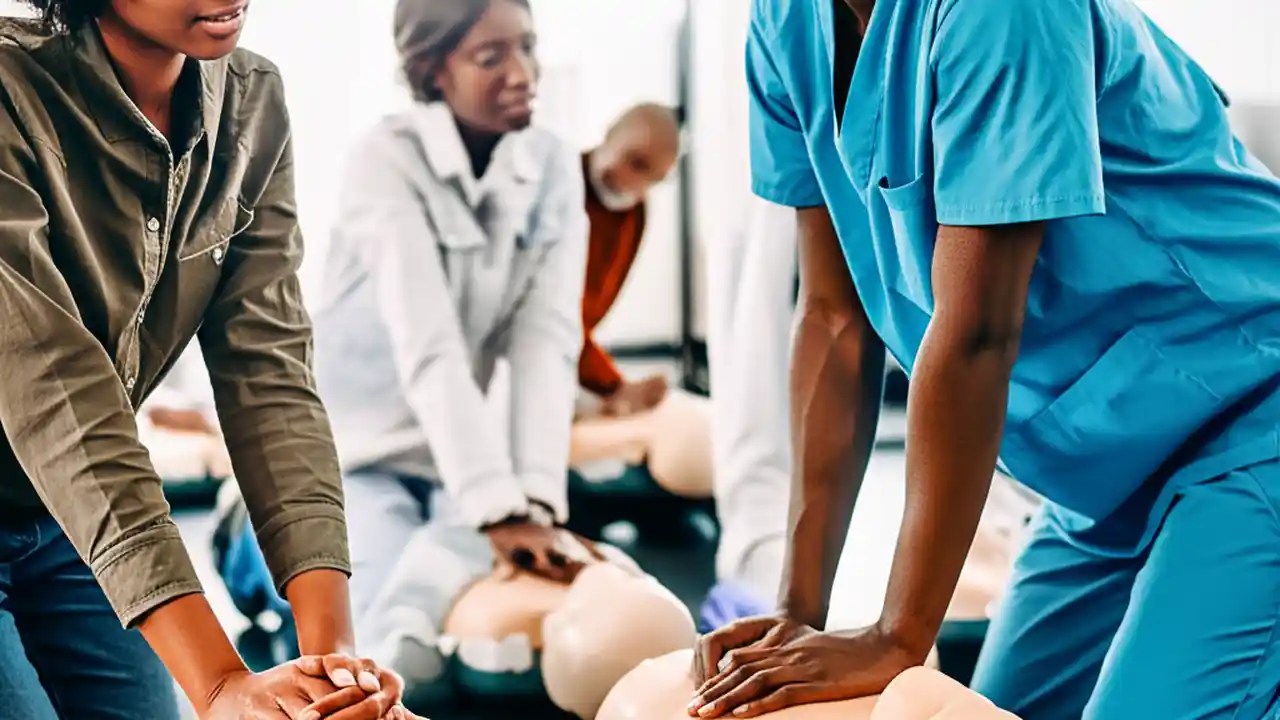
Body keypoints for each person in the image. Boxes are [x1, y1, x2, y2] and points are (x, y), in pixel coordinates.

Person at [690, 0, 1280, 719]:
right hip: (1103, 476)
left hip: (1253, 413)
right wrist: (798, 607)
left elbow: (975, 335)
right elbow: (833, 316)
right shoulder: (785, 21)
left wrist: (896, 636)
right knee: (993, 710)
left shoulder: (1002, 11)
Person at [0, 2, 411, 719]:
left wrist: (334, 672)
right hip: (73, 474)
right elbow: (54, 382)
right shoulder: (9, 91)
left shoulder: (252, 101)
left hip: (71, 521)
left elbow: (269, 370)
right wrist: (220, 685)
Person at [311, 0, 596, 695]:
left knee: (484, 570)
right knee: (374, 632)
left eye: (527, 47)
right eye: (490, 57)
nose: (523, 73)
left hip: (451, 459)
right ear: (434, 69)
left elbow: (546, 343)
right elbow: (429, 341)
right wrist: (498, 511)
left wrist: (529, 501)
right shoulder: (384, 161)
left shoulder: (553, 166)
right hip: (350, 452)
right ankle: (243, 540)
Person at [577, 102, 680, 417]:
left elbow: (588, 310)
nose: (636, 183)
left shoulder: (634, 212)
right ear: (609, 135)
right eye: (634, 162)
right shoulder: (558, 185)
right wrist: (614, 386)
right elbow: (553, 312)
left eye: (654, 179)